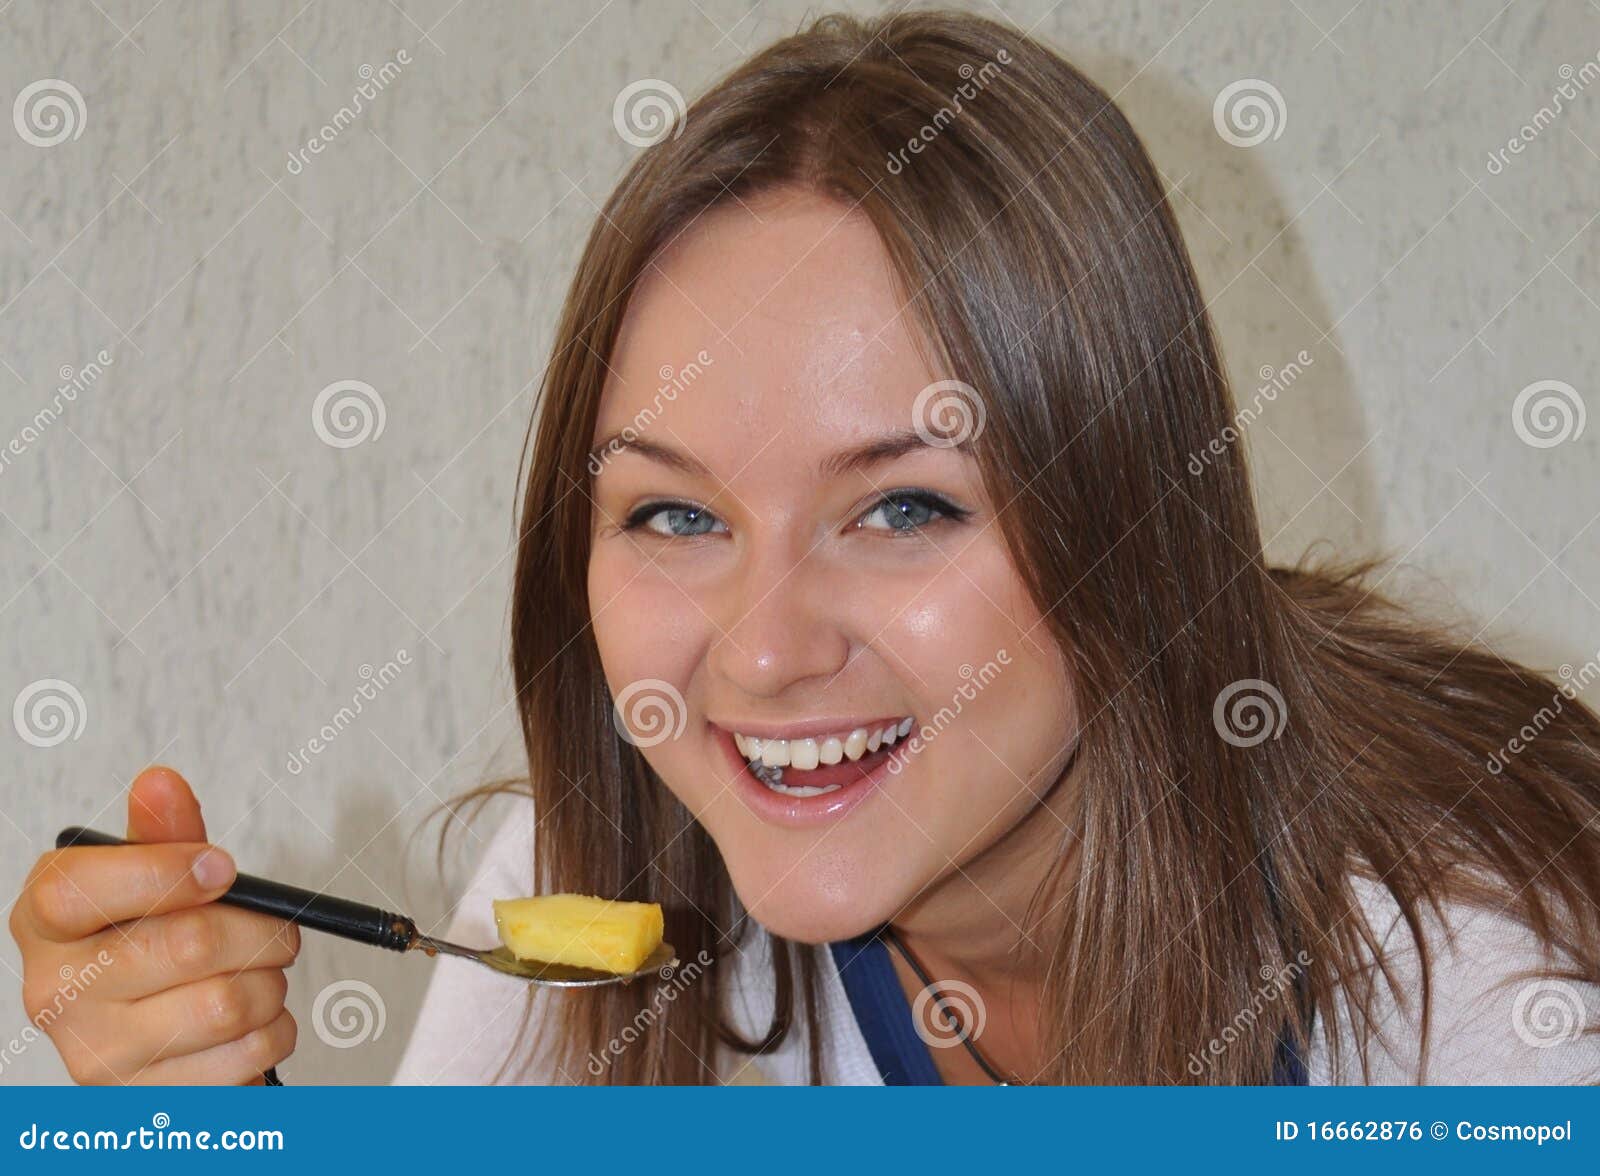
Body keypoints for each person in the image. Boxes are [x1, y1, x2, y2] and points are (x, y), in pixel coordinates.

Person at [13, 9, 1600, 1086]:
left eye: (904, 508)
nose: (763, 653)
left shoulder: (1480, 990)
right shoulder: (583, 895)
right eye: (675, 515)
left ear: (1131, 518)